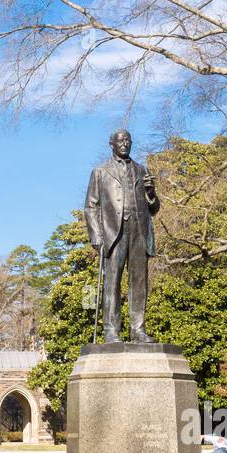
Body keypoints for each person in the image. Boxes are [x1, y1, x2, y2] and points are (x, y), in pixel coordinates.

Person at [85, 129, 160, 343]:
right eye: (120, 140)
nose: (125, 143)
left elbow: (154, 209)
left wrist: (152, 193)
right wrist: (96, 235)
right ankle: (111, 330)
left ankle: (138, 329)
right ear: (111, 144)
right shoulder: (100, 172)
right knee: (112, 283)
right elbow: (91, 206)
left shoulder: (141, 170)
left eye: (128, 140)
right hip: (113, 232)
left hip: (139, 231)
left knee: (139, 283)